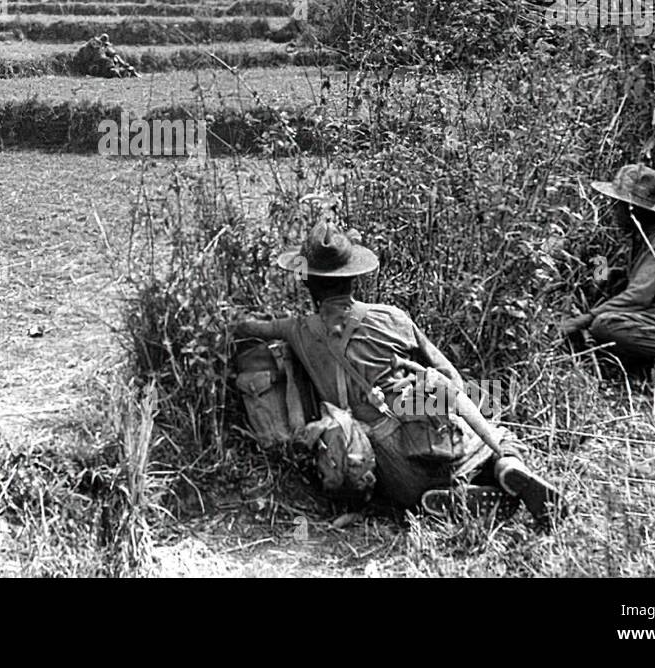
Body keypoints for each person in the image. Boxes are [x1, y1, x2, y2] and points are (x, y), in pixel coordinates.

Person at [234, 223, 565, 526]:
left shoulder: (299, 331)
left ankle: (437, 500)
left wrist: (228, 323)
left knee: (387, 489)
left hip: (384, 465)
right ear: (354, 277)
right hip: (431, 435)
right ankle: (506, 464)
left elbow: (248, 328)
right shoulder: (394, 318)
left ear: (306, 281)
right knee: (500, 433)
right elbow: (452, 380)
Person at [561, 164, 655, 370]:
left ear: (633, 210)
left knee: (605, 325)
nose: (614, 211)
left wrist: (583, 320)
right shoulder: (642, 238)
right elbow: (628, 281)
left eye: (618, 205)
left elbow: (638, 296)